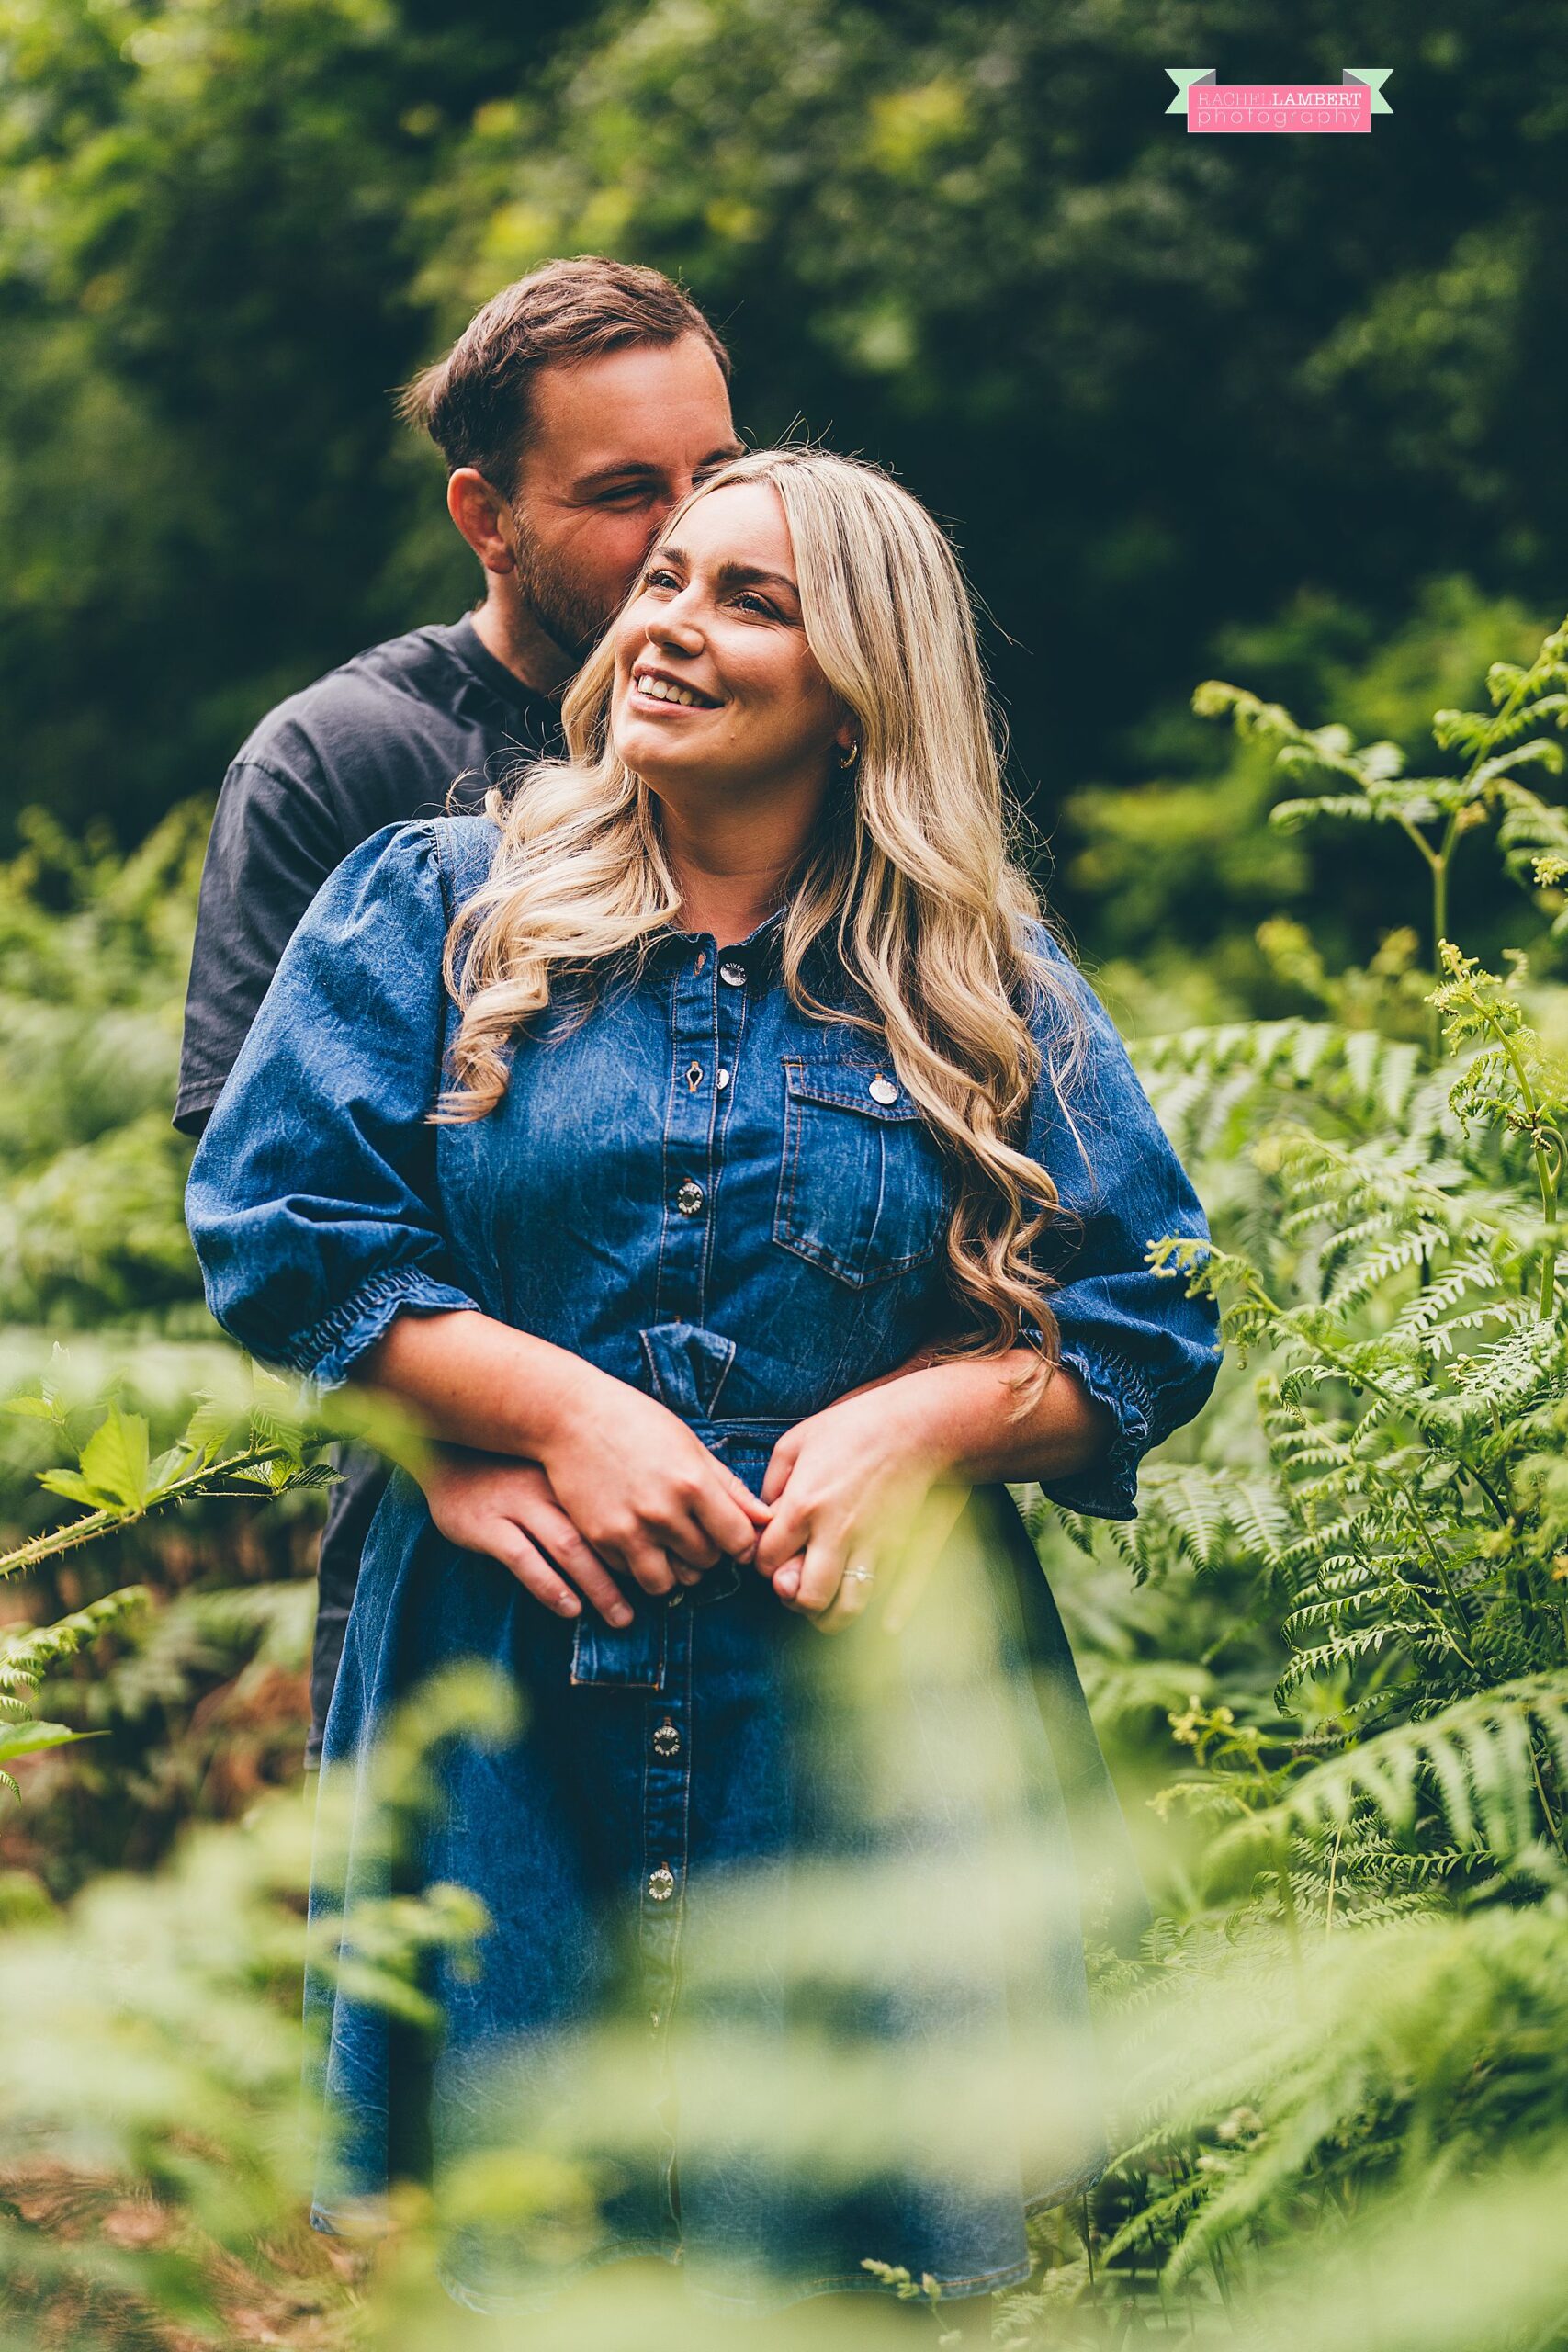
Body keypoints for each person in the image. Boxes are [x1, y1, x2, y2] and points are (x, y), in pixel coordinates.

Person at [185, 447, 1223, 2326]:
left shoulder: (974, 971)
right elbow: (280, 1229)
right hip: (504, 1672)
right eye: (665, 576)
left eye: (751, 599)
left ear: (862, 687)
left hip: (848, 1715)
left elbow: (1149, 1316)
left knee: (841, 2257)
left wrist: (921, 1420)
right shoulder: (437, 900)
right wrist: (555, 1408)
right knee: (529, 2257)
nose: (668, 624)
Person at [175, 257, 745, 1761]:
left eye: (718, 474)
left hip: (769, 1577)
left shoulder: (798, 726)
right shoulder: (348, 763)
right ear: (486, 517)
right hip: (477, 1551)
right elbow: (264, 1198)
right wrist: (453, 1451)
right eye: (628, 493)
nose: (687, 529)